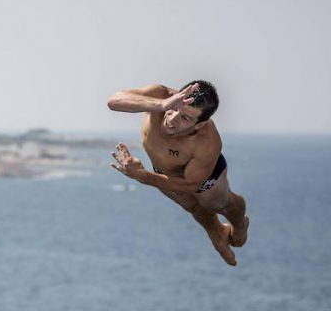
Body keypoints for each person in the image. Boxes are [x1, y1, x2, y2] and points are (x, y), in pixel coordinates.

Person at [107, 80, 249, 266]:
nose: (172, 119)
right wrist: (162, 104)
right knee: (193, 207)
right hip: (165, 170)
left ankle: (239, 225)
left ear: (199, 125)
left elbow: (192, 185)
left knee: (218, 204)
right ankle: (217, 233)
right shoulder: (160, 96)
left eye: (186, 118)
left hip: (203, 176)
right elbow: (114, 101)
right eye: (175, 108)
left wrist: (144, 176)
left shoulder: (206, 140)